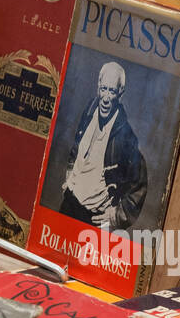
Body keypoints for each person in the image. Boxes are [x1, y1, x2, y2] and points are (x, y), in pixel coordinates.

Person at [59, 60, 147, 231]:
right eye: (103, 89)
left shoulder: (126, 136)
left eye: (112, 91)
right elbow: (78, 147)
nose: (106, 98)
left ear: (120, 94)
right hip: (69, 203)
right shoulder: (90, 110)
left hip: (93, 217)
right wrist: (70, 174)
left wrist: (116, 216)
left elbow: (139, 186)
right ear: (98, 87)